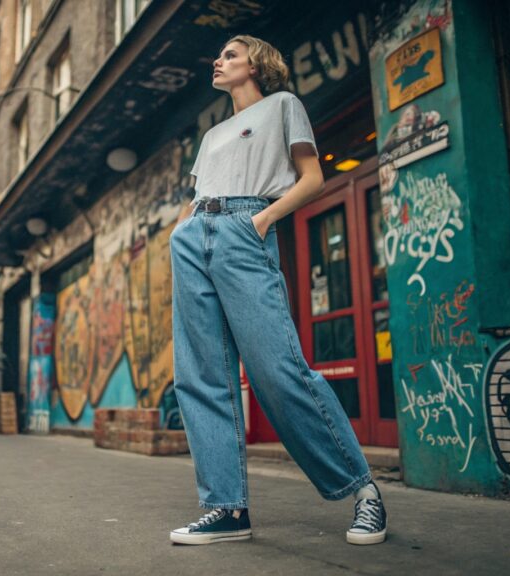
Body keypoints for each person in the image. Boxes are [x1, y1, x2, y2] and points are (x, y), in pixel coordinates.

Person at [168, 35, 387, 546]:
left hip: (245, 227)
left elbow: (312, 178)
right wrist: (181, 236)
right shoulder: (212, 134)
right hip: (194, 235)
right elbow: (198, 194)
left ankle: (364, 491)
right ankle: (227, 509)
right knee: (198, 377)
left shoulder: (284, 106)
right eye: (217, 55)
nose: (217, 61)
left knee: (277, 369)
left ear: (256, 64)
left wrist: (262, 220)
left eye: (229, 55)